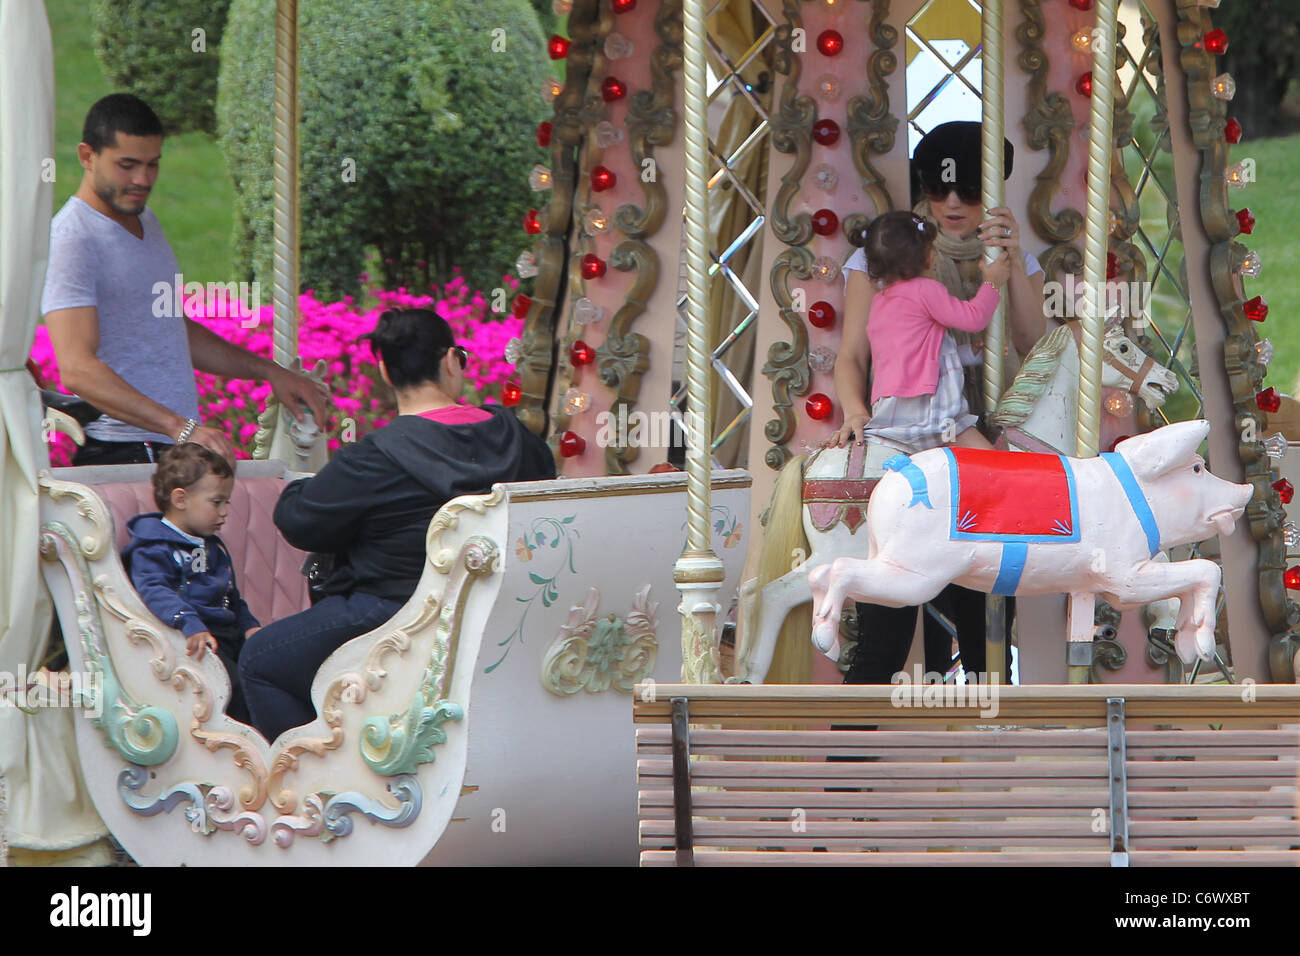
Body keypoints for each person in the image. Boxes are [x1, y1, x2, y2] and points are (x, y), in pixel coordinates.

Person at [239, 308, 556, 741]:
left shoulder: (374, 459)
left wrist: (304, 488)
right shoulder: (518, 439)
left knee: (260, 660)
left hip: (394, 617)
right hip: (504, 611)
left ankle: (318, 778)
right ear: (450, 360)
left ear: (385, 371)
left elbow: (299, 522)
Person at [829, 121, 1048, 684]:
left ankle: (986, 746)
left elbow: (1033, 343)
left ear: (992, 194)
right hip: (910, 433)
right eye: (939, 190)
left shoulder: (1006, 259)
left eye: (970, 192)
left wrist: (1012, 262)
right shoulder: (887, 261)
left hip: (976, 427)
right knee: (888, 624)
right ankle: (849, 761)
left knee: (985, 616)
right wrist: (855, 413)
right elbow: (851, 354)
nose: (952, 203)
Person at [39, 93, 328, 467]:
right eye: (127, 165)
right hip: (121, 452)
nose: (142, 180)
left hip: (169, 448)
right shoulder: (71, 239)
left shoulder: (146, 221)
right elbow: (77, 369)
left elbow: (172, 329)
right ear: (87, 156)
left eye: (152, 165)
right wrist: (180, 427)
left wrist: (270, 372)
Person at [853, 210, 1009, 454]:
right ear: (927, 257)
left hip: (891, 413)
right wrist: (993, 283)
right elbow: (974, 319)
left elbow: (924, 355)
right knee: (992, 465)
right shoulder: (926, 290)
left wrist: (969, 353)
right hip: (931, 409)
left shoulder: (880, 303)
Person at [123, 444, 258, 724]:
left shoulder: (210, 546)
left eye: (227, 503)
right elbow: (154, 589)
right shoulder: (153, 547)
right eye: (216, 502)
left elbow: (230, 597)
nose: (224, 513)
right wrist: (188, 622)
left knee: (274, 667)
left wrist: (249, 626)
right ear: (180, 499)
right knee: (243, 690)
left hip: (226, 635)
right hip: (192, 641)